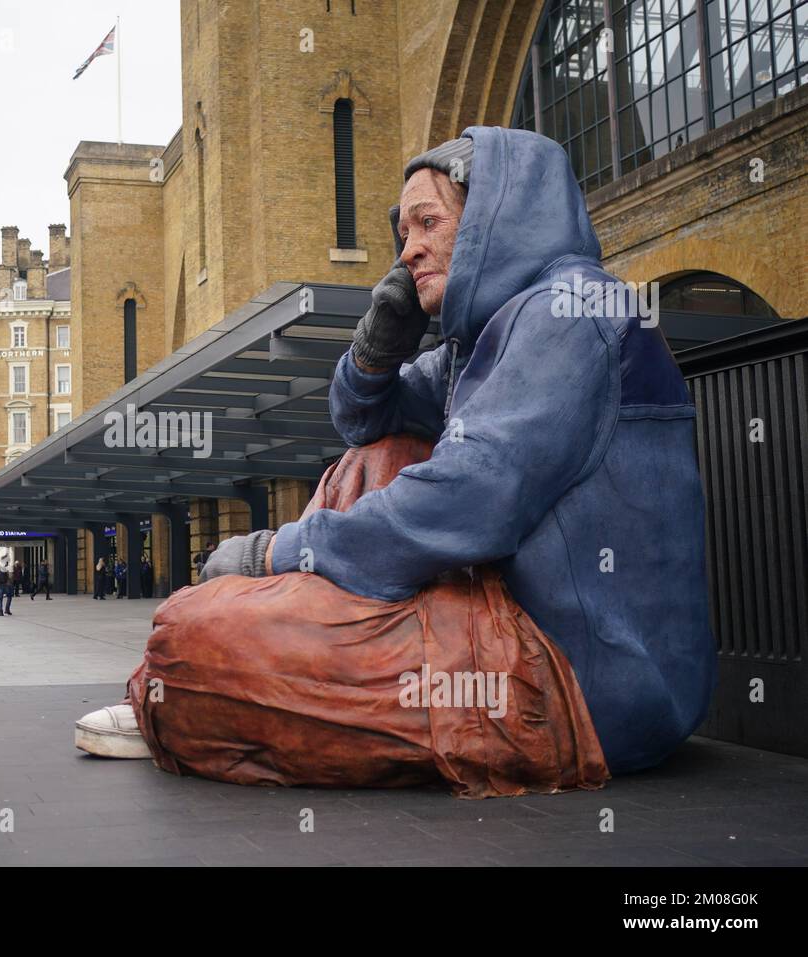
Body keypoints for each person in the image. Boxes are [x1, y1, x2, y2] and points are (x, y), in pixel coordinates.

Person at [76, 127, 716, 783]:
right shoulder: (487, 337)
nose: (408, 250)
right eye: (403, 231)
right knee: (378, 456)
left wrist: (279, 549)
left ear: (493, 220)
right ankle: (213, 664)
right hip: (507, 625)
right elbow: (364, 420)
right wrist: (378, 348)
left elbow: (471, 496)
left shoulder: (571, 313)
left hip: (585, 682)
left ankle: (173, 694)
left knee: (192, 639)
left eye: (427, 223)